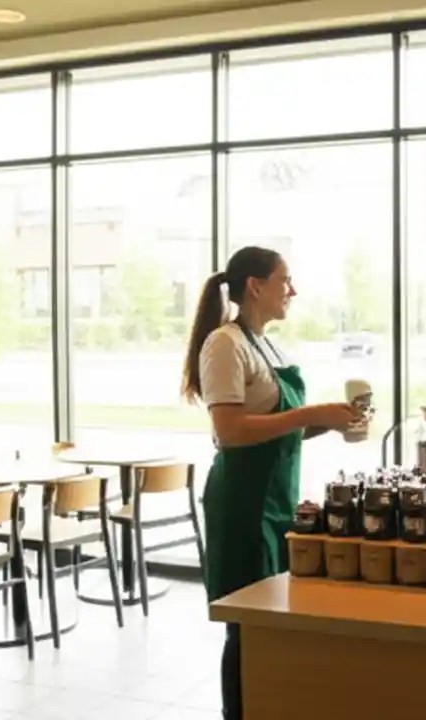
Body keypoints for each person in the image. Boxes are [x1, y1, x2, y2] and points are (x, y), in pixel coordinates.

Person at [181, 246, 360, 719]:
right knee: (245, 625)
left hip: (276, 503)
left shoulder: (269, 346)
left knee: (272, 623)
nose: (293, 290)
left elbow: (280, 424)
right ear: (256, 286)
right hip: (242, 505)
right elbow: (231, 430)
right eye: (286, 280)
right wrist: (310, 413)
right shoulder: (225, 343)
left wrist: (331, 422)